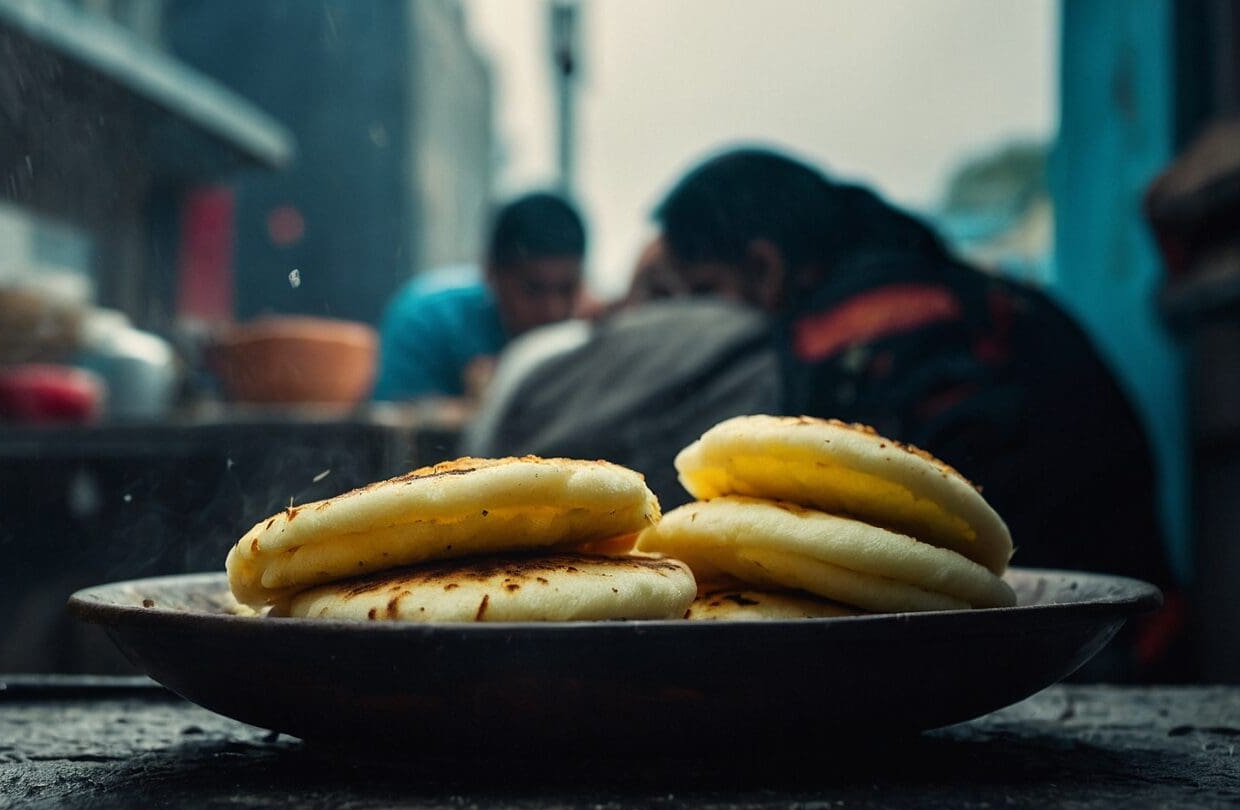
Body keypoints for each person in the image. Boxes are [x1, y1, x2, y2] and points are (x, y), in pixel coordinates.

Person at [481, 148, 1180, 677]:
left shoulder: (845, 339)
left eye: (701, 292)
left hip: (1082, 664)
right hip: (1131, 626)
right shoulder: (964, 299)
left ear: (763, 269)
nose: (694, 323)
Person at [372, 193, 586, 401]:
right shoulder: (425, 320)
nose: (553, 309)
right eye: (533, 290)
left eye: (566, 289)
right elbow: (394, 420)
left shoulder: (590, 329)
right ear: (490, 273)